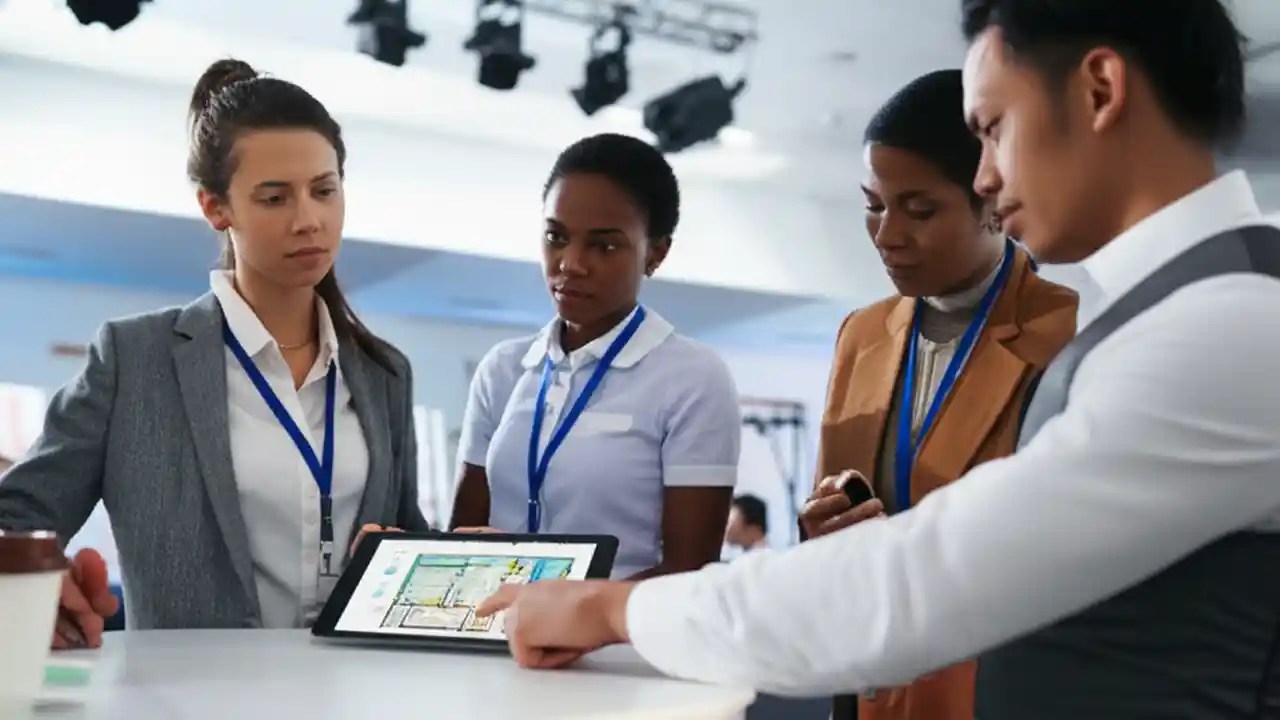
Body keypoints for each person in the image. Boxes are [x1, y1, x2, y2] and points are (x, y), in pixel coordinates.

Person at [475, 2, 1280, 718]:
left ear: (1100, 90)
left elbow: (924, 579)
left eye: (994, 128)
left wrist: (612, 612)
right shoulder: (1187, 311)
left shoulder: (1229, 326)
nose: (990, 176)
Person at [0, 58, 427, 646]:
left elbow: (404, 539)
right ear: (216, 207)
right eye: (275, 198)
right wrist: (30, 579)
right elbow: (16, 520)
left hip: (357, 694)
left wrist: (447, 557)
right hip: (190, 700)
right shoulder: (134, 360)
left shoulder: (383, 373)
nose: (309, 220)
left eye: (324, 191)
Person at [803, 69, 1077, 720]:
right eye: (873, 204)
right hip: (869, 677)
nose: (886, 234)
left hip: (996, 687)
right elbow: (830, 501)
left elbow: (1069, 548)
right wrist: (825, 527)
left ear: (992, 199)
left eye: (919, 210)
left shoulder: (1067, 334)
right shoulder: (862, 333)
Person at [450, 133, 741, 580]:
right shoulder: (503, 370)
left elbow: (690, 570)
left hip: (616, 643)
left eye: (603, 246)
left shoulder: (691, 378)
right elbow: (461, 539)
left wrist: (571, 612)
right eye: (556, 237)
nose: (570, 263)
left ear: (656, 253)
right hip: (494, 631)